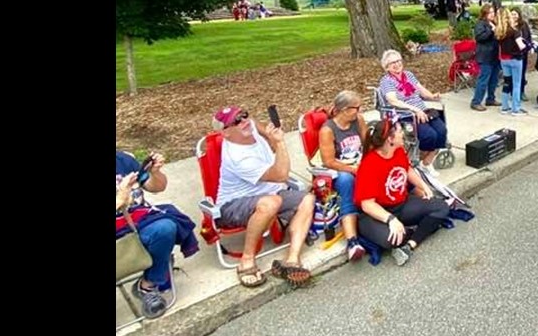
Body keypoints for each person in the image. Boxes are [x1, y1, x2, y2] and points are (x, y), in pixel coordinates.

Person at [212, 107, 317, 289]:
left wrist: (268, 132)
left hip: (270, 194)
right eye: (236, 121)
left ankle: (292, 260)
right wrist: (279, 143)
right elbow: (281, 175)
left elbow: (255, 123)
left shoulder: (249, 127)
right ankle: (247, 260)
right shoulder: (238, 157)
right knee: (271, 202)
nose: (244, 121)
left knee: (307, 199)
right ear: (225, 133)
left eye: (244, 115)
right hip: (233, 205)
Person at [352, 117, 454, 266]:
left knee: (441, 207)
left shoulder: (398, 151)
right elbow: (368, 205)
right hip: (375, 213)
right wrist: (390, 220)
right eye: (400, 131)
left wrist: (424, 187)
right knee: (390, 240)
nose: (403, 134)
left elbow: (407, 169)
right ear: (390, 139)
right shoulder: (369, 165)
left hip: (401, 204)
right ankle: (414, 230)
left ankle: (410, 244)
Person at [115, 149, 202, 319]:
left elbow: (158, 187)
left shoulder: (122, 159)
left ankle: (148, 285)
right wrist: (120, 198)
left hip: (136, 221)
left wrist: (155, 173)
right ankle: (160, 263)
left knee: (165, 227)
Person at [377, 49, 449, 166]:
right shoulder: (386, 81)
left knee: (441, 130)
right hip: (406, 115)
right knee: (429, 135)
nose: (397, 64)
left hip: (423, 111)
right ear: (386, 67)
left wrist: (432, 96)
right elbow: (392, 100)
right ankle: (422, 160)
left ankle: (429, 158)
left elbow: (421, 90)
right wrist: (414, 110)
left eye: (398, 61)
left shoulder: (409, 75)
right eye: (392, 63)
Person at [315, 91, 367, 243]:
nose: (359, 111)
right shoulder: (327, 130)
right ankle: (351, 238)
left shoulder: (359, 120)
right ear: (344, 110)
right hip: (340, 167)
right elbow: (329, 161)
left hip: (358, 161)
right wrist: (353, 169)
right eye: (356, 108)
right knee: (346, 180)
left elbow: (367, 143)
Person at [495, 8, 530, 116]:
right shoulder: (515, 31)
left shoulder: (499, 32)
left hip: (504, 60)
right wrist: (528, 46)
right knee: (516, 84)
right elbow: (521, 46)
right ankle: (516, 109)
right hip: (515, 59)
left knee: (507, 83)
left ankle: (505, 107)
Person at [470, 4, 501, 111]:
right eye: (490, 12)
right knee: (483, 79)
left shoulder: (494, 23)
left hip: (495, 55)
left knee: (494, 79)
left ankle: (490, 98)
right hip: (485, 56)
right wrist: (491, 30)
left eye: (493, 12)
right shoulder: (480, 24)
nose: (493, 14)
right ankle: (476, 101)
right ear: (485, 13)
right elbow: (480, 37)